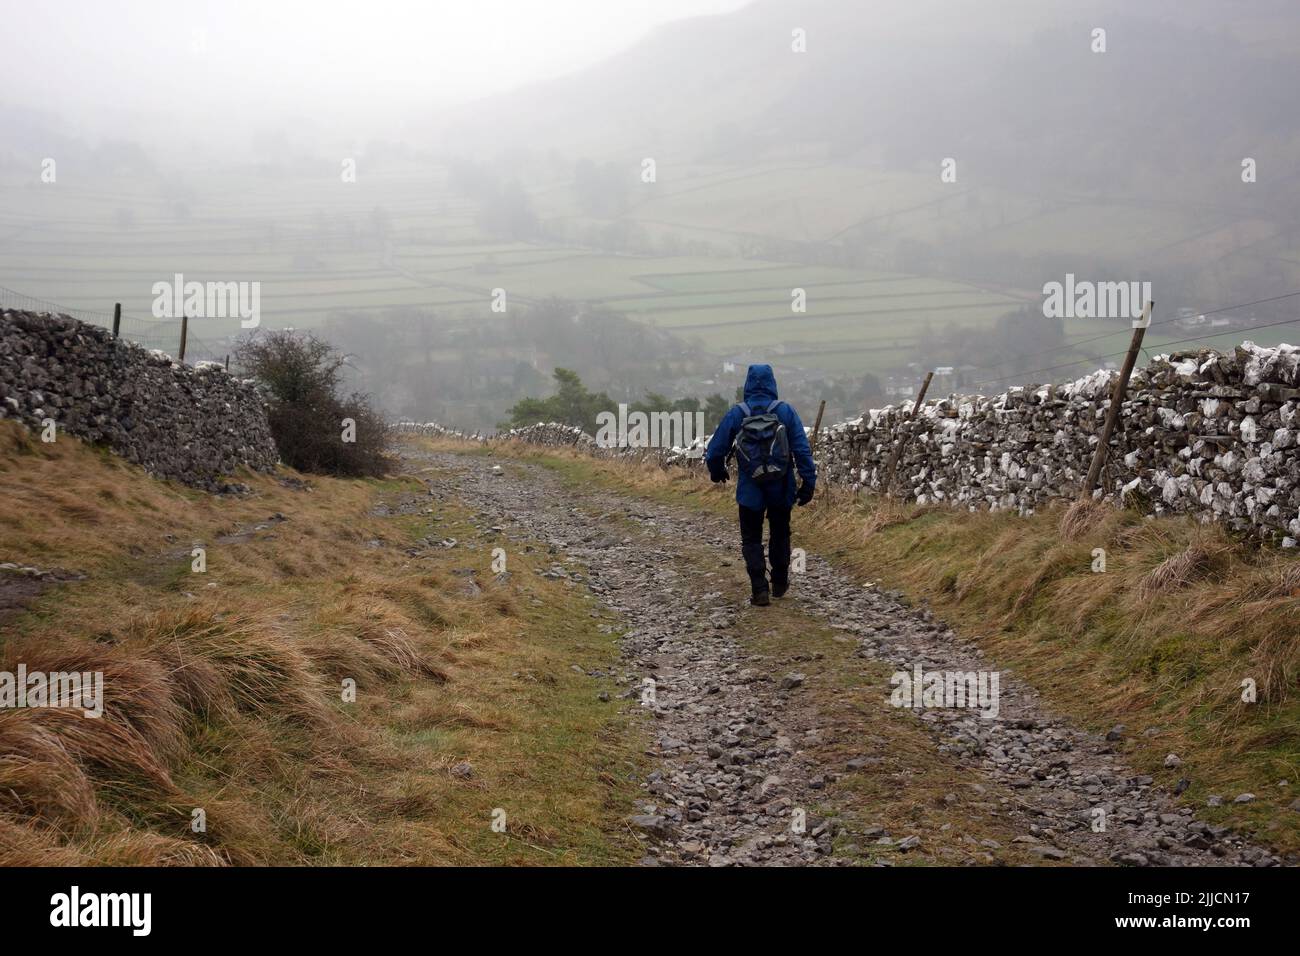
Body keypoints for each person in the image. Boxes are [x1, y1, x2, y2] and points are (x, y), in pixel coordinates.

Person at [705, 364, 816, 606]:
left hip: (750, 489)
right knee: (780, 532)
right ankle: (779, 582)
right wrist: (808, 482)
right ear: (772, 383)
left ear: (747, 385)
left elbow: (714, 451)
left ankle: (759, 589)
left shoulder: (738, 413)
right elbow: (801, 449)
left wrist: (717, 472)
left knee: (751, 538)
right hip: (781, 486)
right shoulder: (785, 411)